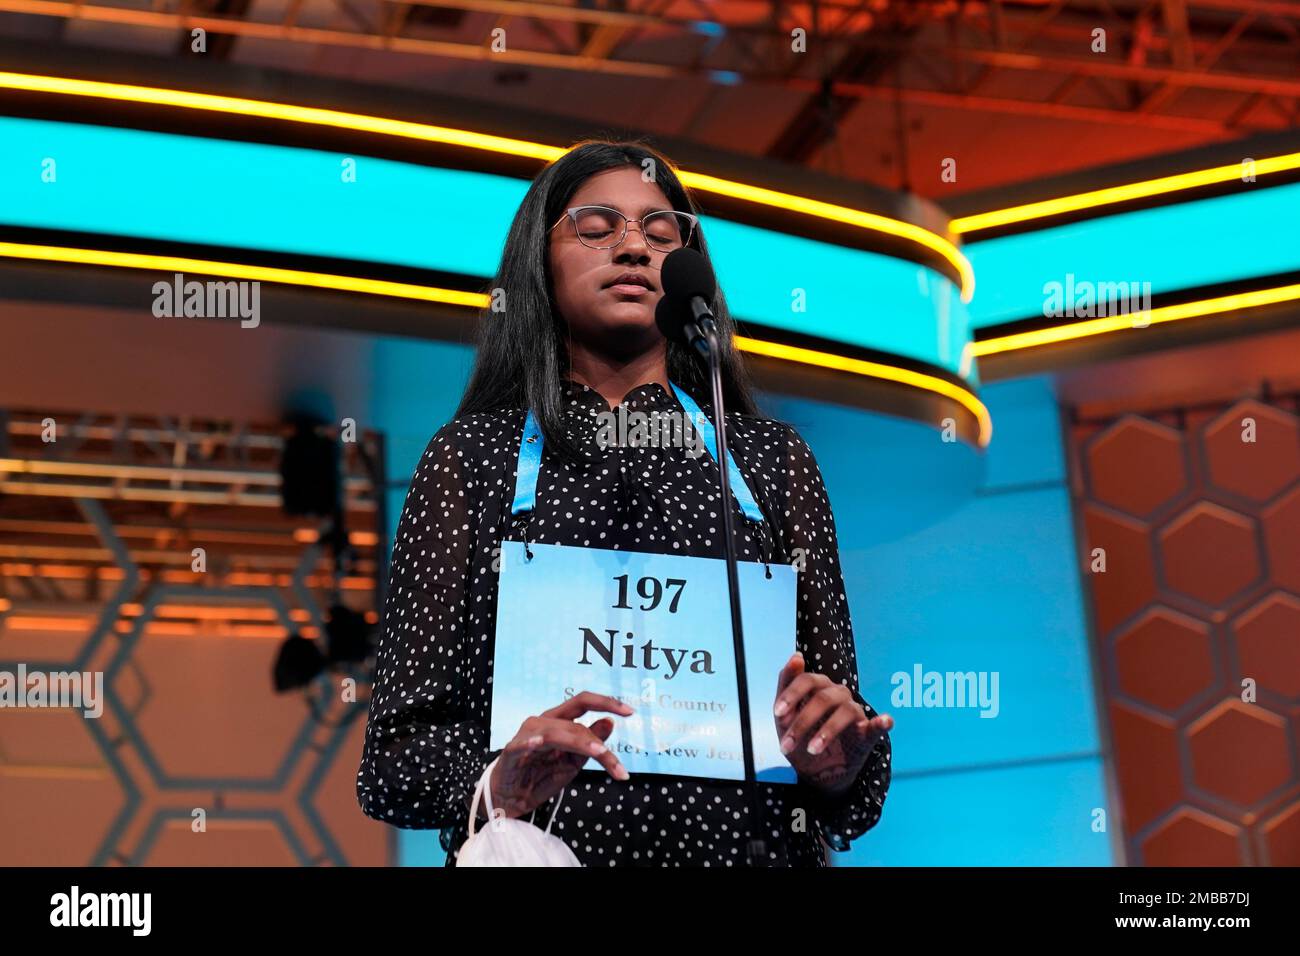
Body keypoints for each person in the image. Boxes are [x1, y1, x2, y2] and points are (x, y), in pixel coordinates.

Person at [356, 139, 893, 866]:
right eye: (598, 226)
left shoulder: (772, 460)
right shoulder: (470, 459)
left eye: (662, 232)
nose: (636, 247)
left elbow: (850, 765)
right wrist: (495, 779)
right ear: (536, 262)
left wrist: (833, 755)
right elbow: (392, 760)